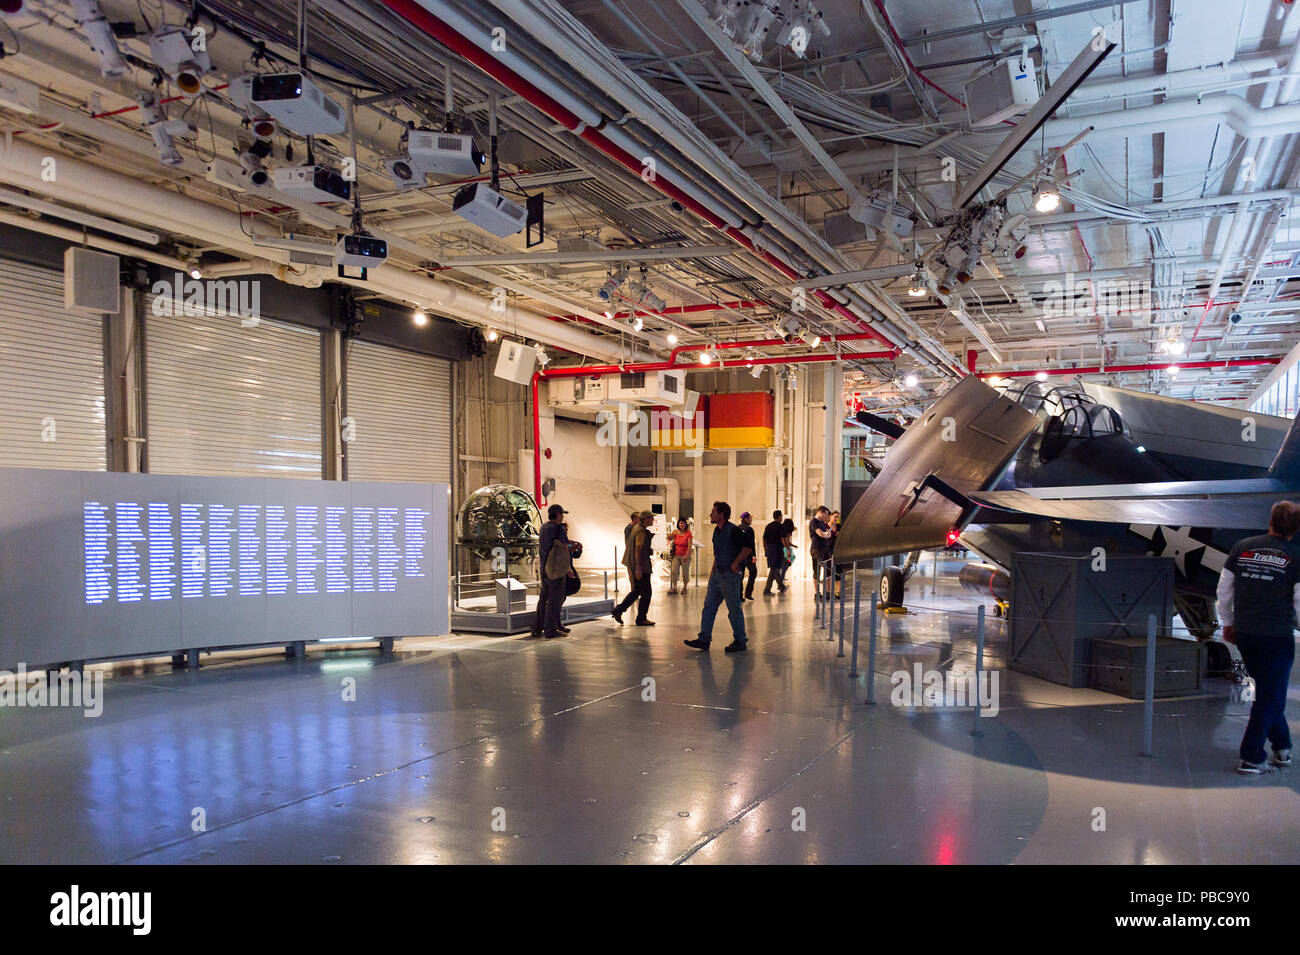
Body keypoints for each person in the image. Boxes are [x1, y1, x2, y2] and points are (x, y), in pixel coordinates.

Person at [1217, 500, 1300, 775]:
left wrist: (1228, 623)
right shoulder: (1296, 557)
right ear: (1295, 528)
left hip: (1247, 634)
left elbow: (1225, 589)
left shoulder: (1242, 547)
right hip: (1277, 636)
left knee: (1267, 692)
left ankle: (1283, 747)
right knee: (1270, 697)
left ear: (1271, 520)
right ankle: (1251, 756)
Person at [684, 501, 751, 653]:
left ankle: (740, 640)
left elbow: (747, 548)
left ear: (721, 515)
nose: (710, 514)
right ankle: (704, 639)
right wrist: (712, 574)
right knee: (709, 607)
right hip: (718, 575)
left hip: (730, 576)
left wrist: (735, 564)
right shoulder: (716, 531)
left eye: (713, 512)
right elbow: (717, 553)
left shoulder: (733, 530)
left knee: (734, 609)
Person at [532, 504, 574, 639]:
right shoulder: (559, 529)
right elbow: (563, 549)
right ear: (557, 514)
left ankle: (537, 628)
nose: (563, 517)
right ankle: (551, 630)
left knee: (543, 600)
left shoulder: (543, 527)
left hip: (544, 568)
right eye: (562, 514)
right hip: (555, 570)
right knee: (556, 600)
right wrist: (568, 568)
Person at [614, 511, 655, 626]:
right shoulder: (641, 531)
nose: (653, 520)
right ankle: (641, 618)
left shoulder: (638, 528)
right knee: (647, 592)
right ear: (646, 519)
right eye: (651, 518)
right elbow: (638, 549)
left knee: (637, 591)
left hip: (636, 564)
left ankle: (618, 610)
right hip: (640, 565)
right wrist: (638, 568)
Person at [762, 510, 789, 596]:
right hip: (777, 549)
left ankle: (779, 587)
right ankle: (770, 589)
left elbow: (764, 539)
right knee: (775, 568)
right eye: (781, 516)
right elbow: (783, 539)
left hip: (770, 549)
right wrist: (787, 549)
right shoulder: (781, 526)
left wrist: (765, 549)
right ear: (779, 516)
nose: (782, 517)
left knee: (774, 569)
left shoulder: (768, 526)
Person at [809, 506, 834, 600]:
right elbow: (819, 533)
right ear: (821, 512)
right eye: (826, 514)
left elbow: (826, 533)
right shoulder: (813, 521)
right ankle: (817, 593)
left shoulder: (823, 523)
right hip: (817, 549)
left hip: (825, 549)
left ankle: (827, 592)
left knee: (828, 570)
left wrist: (827, 534)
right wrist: (826, 535)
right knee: (817, 571)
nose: (827, 517)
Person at [667, 517, 693, 594]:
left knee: (685, 571)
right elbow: (669, 538)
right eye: (680, 523)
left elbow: (689, 545)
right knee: (674, 570)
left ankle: (685, 587)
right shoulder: (675, 532)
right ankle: (674, 587)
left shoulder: (688, 533)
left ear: (685, 524)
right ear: (678, 524)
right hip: (676, 555)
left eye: (683, 523)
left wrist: (686, 555)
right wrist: (670, 535)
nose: (682, 524)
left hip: (685, 555)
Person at [738, 512, 758, 600]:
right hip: (748, 555)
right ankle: (747, 593)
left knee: (740, 576)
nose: (751, 520)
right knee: (752, 572)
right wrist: (754, 555)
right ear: (745, 519)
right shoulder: (749, 530)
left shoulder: (738, 528)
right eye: (750, 518)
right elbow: (752, 544)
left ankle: (740, 595)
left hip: (741, 556)